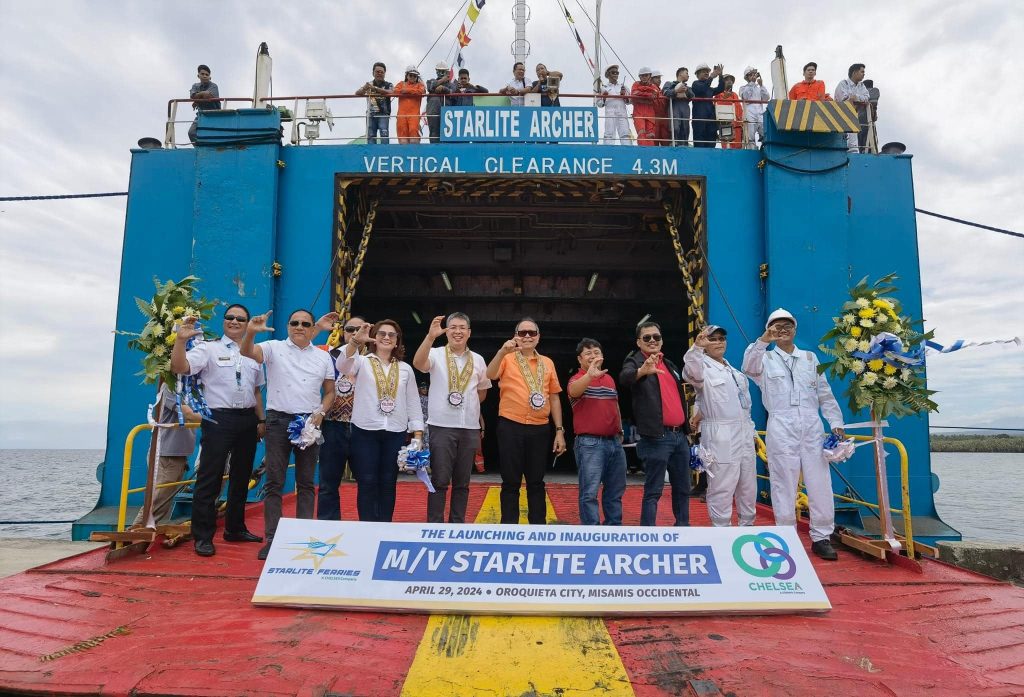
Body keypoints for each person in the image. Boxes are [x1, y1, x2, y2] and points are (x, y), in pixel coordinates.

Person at [742, 308, 846, 561]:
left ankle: (821, 537)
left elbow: (825, 394)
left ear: (795, 329)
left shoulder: (810, 358)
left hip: (812, 426)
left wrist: (836, 422)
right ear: (769, 330)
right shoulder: (764, 359)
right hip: (781, 425)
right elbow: (748, 368)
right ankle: (786, 536)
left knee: (820, 483)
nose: (783, 330)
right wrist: (763, 340)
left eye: (787, 325)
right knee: (783, 483)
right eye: (777, 326)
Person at [240, 309, 335, 560]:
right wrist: (250, 332)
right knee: (274, 481)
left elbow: (330, 392)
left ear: (312, 328)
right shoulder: (273, 348)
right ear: (288, 326)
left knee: (306, 482)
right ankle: (272, 539)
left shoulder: (323, 357)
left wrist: (321, 413)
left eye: (305, 323)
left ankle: (304, 538)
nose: (299, 327)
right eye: (294, 323)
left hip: (309, 423)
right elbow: (247, 352)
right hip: (278, 421)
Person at [171, 306, 265, 557]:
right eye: (230, 317)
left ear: (247, 323)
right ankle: (202, 536)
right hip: (217, 418)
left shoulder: (254, 352)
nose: (234, 321)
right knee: (210, 478)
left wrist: (261, 420)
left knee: (241, 477)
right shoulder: (208, 349)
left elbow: (256, 391)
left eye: (240, 319)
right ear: (223, 321)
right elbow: (180, 367)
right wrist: (180, 341)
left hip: (247, 419)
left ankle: (235, 528)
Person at [338, 319, 424, 522]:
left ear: (397, 341)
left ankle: (385, 526)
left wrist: (418, 435)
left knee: (388, 482)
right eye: (382, 334)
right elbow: (342, 365)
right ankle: (367, 529)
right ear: (374, 339)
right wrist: (355, 342)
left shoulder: (405, 368)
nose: (386, 337)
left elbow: (413, 402)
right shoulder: (362, 361)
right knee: (367, 481)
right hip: (365, 430)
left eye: (391, 335)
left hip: (395, 432)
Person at [412, 313, 491, 523]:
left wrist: (466, 405)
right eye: (453, 327)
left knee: (462, 482)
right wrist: (430, 337)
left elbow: (482, 392)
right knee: (439, 480)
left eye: (462, 327)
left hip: (469, 428)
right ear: (446, 331)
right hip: (441, 426)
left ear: (469, 332)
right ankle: (435, 525)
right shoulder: (435, 353)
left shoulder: (478, 359)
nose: (458, 331)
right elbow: (418, 363)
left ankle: (457, 525)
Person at [486, 318, 565, 524]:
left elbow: (554, 397)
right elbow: (490, 374)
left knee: (536, 481)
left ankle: (537, 530)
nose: (527, 336)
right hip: (510, 425)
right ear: (515, 336)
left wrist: (559, 430)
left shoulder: (548, 363)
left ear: (538, 337)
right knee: (510, 481)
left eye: (532, 333)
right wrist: (502, 351)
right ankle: (509, 530)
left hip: (539, 428)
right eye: (522, 333)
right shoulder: (507, 358)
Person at [683, 325, 756, 527]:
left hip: (744, 432)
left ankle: (747, 528)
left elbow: (744, 407)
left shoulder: (736, 373)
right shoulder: (702, 368)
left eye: (721, 338)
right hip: (720, 434)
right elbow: (691, 372)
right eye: (712, 339)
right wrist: (697, 347)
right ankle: (722, 530)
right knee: (721, 485)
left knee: (748, 486)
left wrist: (752, 434)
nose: (718, 342)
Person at [619, 321, 691, 526]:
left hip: (679, 436)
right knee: (654, 490)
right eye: (647, 337)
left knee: (683, 488)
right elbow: (625, 378)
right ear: (638, 342)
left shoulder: (669, 364)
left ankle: (683, 528)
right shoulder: (635, 361)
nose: (652, 340)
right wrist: (642, 371)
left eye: (656, 337)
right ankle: (648, 533)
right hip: (657, 437)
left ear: (662, 340)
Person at [569, 338, 626, 526]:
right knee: (589, 492)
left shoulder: (609, 379)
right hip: (590, 443)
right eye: (588, 353)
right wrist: (589, 376)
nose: (593, 356)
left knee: (615, 490)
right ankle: (591, 532)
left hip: (614, 442)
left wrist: (620, 429)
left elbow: (615, 405)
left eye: (596, 352)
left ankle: (613, 528)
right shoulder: (577, 379)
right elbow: (574, 391)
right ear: (580, 359)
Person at [315, 316, 368, 521]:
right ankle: (328, 528)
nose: (354, 333)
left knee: (367, 482)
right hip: (333, 426)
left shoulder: (374, 358)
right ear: (343, 332)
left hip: (364, 428)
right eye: (350, 329)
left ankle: (369, 528)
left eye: (359, 329)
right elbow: (299, 347)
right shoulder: (327, 354)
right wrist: (318, 327)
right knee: (328, 483)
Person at [130, 383, 200, 529]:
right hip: (166, 455)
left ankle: (142, 531)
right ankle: (135, 531)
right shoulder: (170, 387)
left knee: (163, 501)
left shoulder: (190, 389)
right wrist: (221, 420)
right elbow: (188, 414)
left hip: (178, 454)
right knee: (158, 501)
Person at [355, 62, 394, 144]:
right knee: (370, 136)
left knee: (384, 135)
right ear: (373, 73)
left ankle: (385, 150)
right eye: (377, 72)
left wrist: (375, 89)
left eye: (382, 72)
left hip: (383, 114)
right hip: (371, 114)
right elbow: (357, 93)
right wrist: (365, 88)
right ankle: (371, 151)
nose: (379, 73)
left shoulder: (389, 84)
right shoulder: (369, 84)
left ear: (384, 74)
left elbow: (392, 92)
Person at [835, 63, 870, 153]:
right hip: (840, 117)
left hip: (854, 117)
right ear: (854, 72)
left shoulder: (861, 86)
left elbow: (866, 97)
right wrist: (855, 99)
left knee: (853, 145)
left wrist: (856, 97)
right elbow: (845, 99)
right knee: (842, 141)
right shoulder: (843, 84)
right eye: (862, 72)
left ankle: (853, 151)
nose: (864, 74)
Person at [691, 63, 725, 148]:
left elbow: (720, 89)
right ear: (697, 74)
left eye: (707, 72)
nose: (706, 73)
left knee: (711, 143)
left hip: (711, 120)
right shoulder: (695, 84)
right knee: (699, 144)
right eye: (704, 71)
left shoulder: (709, 88)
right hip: (699, 120)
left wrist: (720, 76)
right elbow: (702, 89)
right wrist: (711, 77)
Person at [597, 64, 631, 145]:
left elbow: (630, 101)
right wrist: (604, 98)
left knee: (625, 132)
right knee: (609, 133)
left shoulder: (624, 87)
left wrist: (624, 96)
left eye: (617, 72)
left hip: (622, 112)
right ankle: (608, 150)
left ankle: (627, 149)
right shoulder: (603, 88)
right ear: (608, 74)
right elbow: (599, 104)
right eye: (613, 72)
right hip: (610, 113)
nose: (615, 74)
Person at [188, 64, 221, 144]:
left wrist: (197, 99)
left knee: (213, 134)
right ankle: (199, 148)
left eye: (207, 74)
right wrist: (200, 96)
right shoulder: (195, 85)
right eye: (202, 74)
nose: (205, 76)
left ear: (210, 77)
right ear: (198, 75)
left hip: (214, 114)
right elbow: (192, 96)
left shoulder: (214, 86)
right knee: (191, 132)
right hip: (202, 114)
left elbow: (207, 96)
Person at [393, 66, 426, 144]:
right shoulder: (401, 84)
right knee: (402, 139)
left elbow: (422, 92)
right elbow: (395, 91)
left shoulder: (420, 85)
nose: (412, 77)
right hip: (401, 116)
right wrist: (412, 91)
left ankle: (414, 151)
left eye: (415, 76)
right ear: (406, 75)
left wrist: (407, 91)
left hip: (414, 116)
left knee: (414, 136)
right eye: (410, 75)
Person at [738, 66, 770, 149]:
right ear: (747, 77)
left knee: (765, 134)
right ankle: (752, 152)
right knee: (750, 137)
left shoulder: (759, 88)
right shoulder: (743, 88)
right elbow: (746, 97)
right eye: (751, 74)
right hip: (749, 115)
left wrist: (761, 85)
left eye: (754, 74)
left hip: (760, 115)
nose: (753, 76)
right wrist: (752, 83)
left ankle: (767, 150)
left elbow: (766, 98)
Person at [662, 67, 694, 146]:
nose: (688, 75)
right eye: (686, 73)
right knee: (675, 128)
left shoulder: (688, 88)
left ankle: (684, 145)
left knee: (685, 128)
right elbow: (665, 93)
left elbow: (692, 96)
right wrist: (676, 91)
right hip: (674, 108)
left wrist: (685, 91)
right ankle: (674, 144)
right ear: (680, 74)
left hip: (685, 110)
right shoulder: (669, 84)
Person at [630, 67, 661, 146]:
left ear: (650, 76)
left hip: (650, 114)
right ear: (639, 77)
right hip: (638, 113)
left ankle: (650, 151)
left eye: (646, 75)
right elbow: (634, 93)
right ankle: (643, 150)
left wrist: (641, 93)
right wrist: (648, 94)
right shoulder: (635, 84)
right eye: (642, 76)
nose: (644, 77)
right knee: (641, 133)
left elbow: (656, 94)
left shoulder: (654, 87)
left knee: (650, 135)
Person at [425, 62, 453, 143]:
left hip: (447, 112)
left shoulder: (451, 84)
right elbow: (430, 87)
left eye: (443, 71)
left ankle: (446, 149)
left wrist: (443, 88)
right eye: (439, 71)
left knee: (447, 133)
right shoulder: (430, 81)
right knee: (434, 132)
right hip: (433, 110)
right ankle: (434, 149)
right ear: (436, 71)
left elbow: (452, 92)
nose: (441, 73)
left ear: (446, 72)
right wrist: (442, 80)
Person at [713, 75, 743, 150]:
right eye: (727, 80)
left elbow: (740, 110)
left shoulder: (735, 95)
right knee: (726, 148)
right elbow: (716, 108)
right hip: (725, 125)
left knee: (738, 149)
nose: (730, 81)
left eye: (731, 80)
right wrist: (724, 98)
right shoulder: (718, 95)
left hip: (737, 126)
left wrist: (742, 123)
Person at [651, 70, 671, 146]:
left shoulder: (661, 91)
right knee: (655, 139)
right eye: (657, 78)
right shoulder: (649, 89)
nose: (659, 80)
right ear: (651, 79)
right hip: (654, 118)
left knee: (665, 138)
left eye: (659, 78)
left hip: (663, 118)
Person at [859, 79, 880, 151]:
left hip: (861, 120)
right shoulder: (874, 91)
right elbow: (874, 103)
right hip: (867, 120)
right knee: (867, 144)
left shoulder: (860, 93)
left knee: (861, 142)